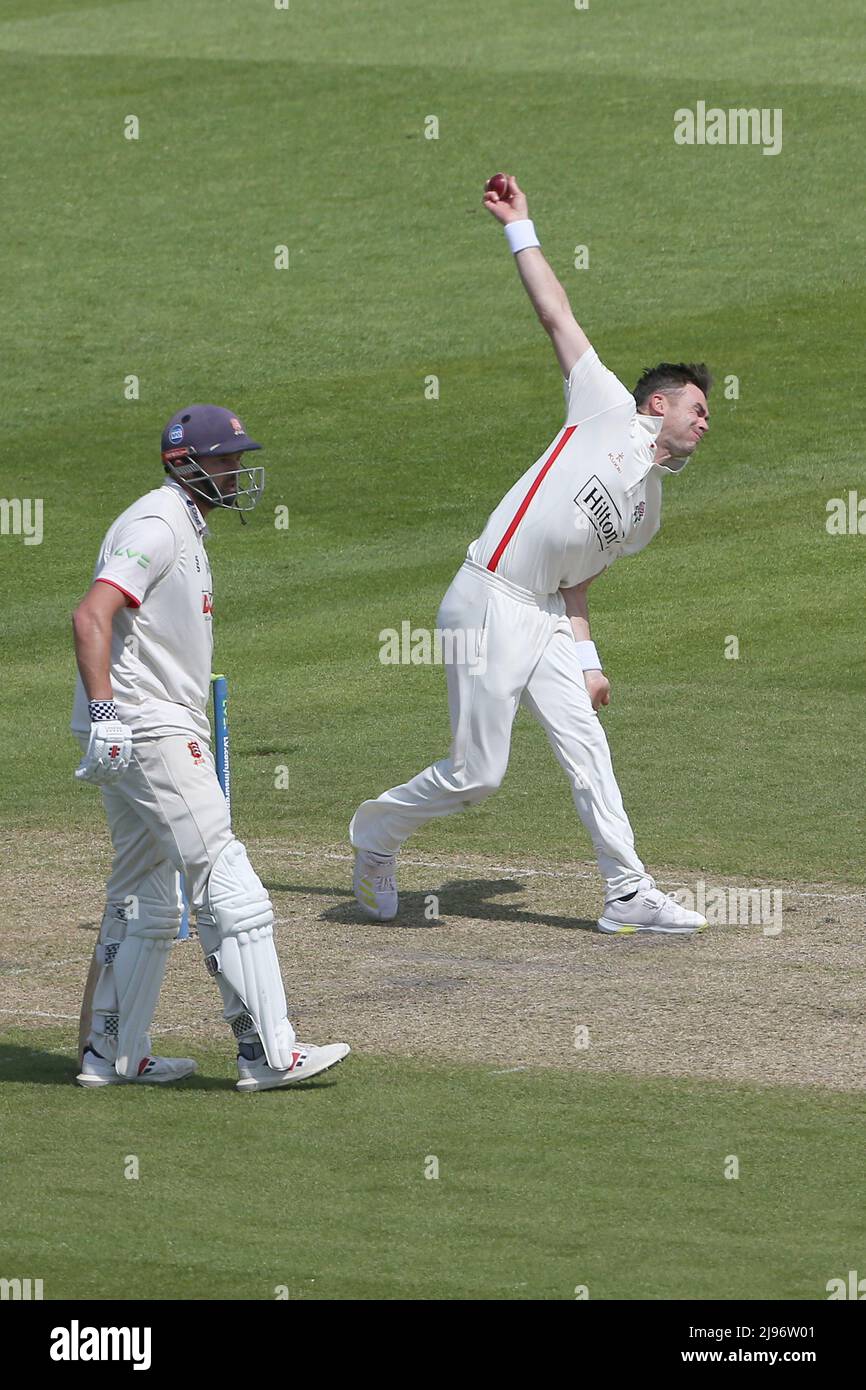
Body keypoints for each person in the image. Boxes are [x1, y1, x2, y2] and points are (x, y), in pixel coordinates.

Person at [350, 175, 711, 936]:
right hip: (488, 596)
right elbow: (556, 313)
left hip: (545, 613)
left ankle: (627, 892)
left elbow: (578, 585)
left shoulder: (648, 513)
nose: (705, 423)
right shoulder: (605, 404)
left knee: (589, 748)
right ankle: (375, 835)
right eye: (697, 408)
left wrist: (588, 662)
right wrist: (520, 224)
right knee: (478, 777)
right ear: (658, 404)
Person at [71, 404, 350, 1089]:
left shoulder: (182, 524)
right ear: (185, 462)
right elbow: (91, 614)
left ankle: (110, 1054)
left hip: (145, 723)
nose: (236, 471)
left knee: (146, 895)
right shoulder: (158, 524)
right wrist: (108, 713)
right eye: (225, 460)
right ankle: (267, 1052)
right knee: (226, 878)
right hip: (148, 725)